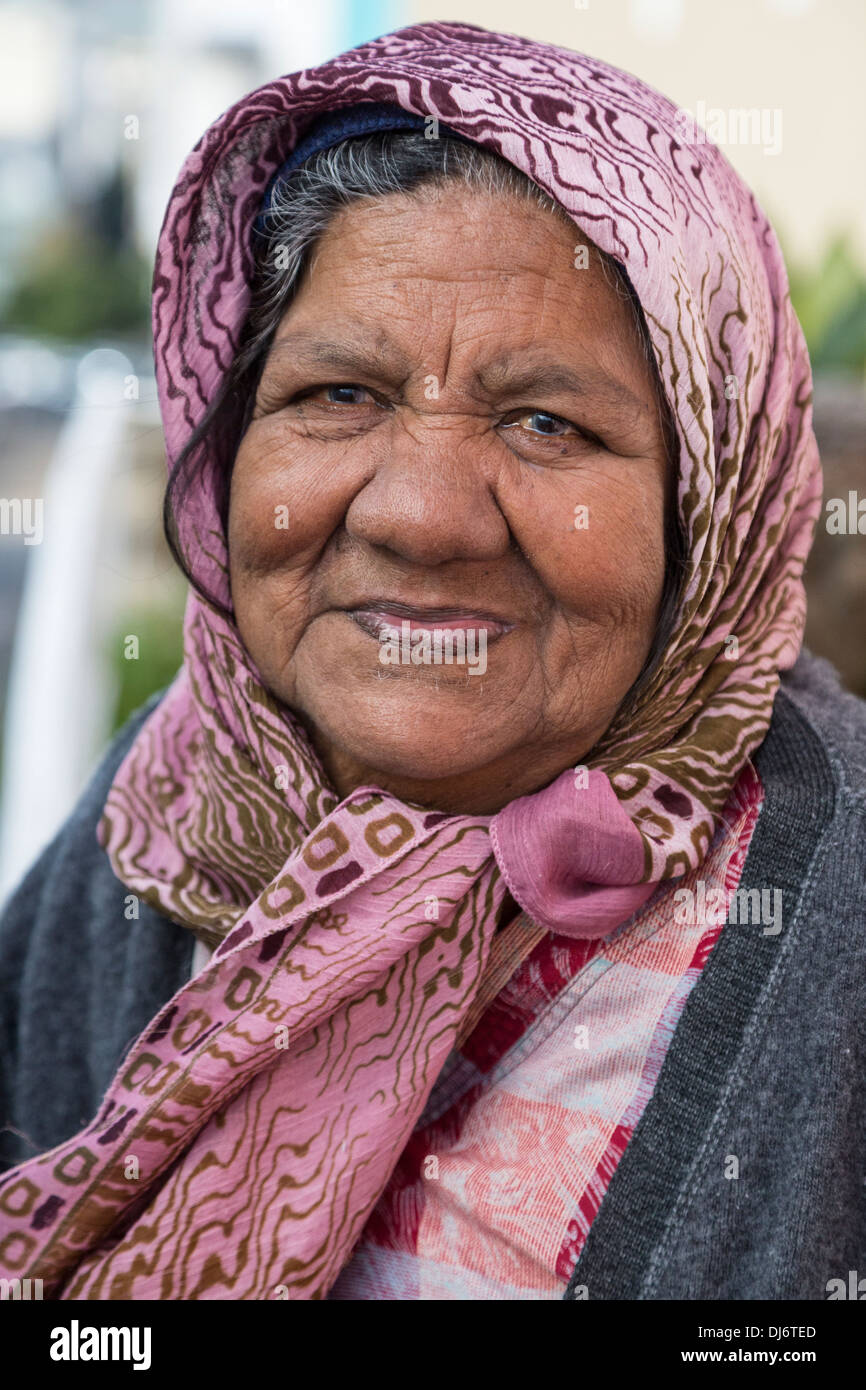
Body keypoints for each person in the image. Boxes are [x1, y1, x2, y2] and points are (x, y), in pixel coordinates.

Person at [0, 20, 863, 1302]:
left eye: (543, 421)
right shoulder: (171, 808)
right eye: (337, 394)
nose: (419, 514)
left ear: (707, 507)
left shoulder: (830, 902)